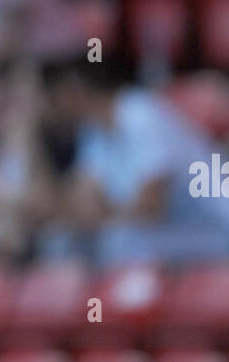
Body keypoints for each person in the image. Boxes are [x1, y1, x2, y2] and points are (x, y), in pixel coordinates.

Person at [41, 56, 229, 265]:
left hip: (216, 228)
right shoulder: (93, 131)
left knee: (120, 241)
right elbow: (78, 199)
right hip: (172, 234)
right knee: (60, 240)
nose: (48, 108)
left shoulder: (140, 114)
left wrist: (102, 213)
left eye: (52, 97)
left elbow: (152, 207)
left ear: (72, 90)